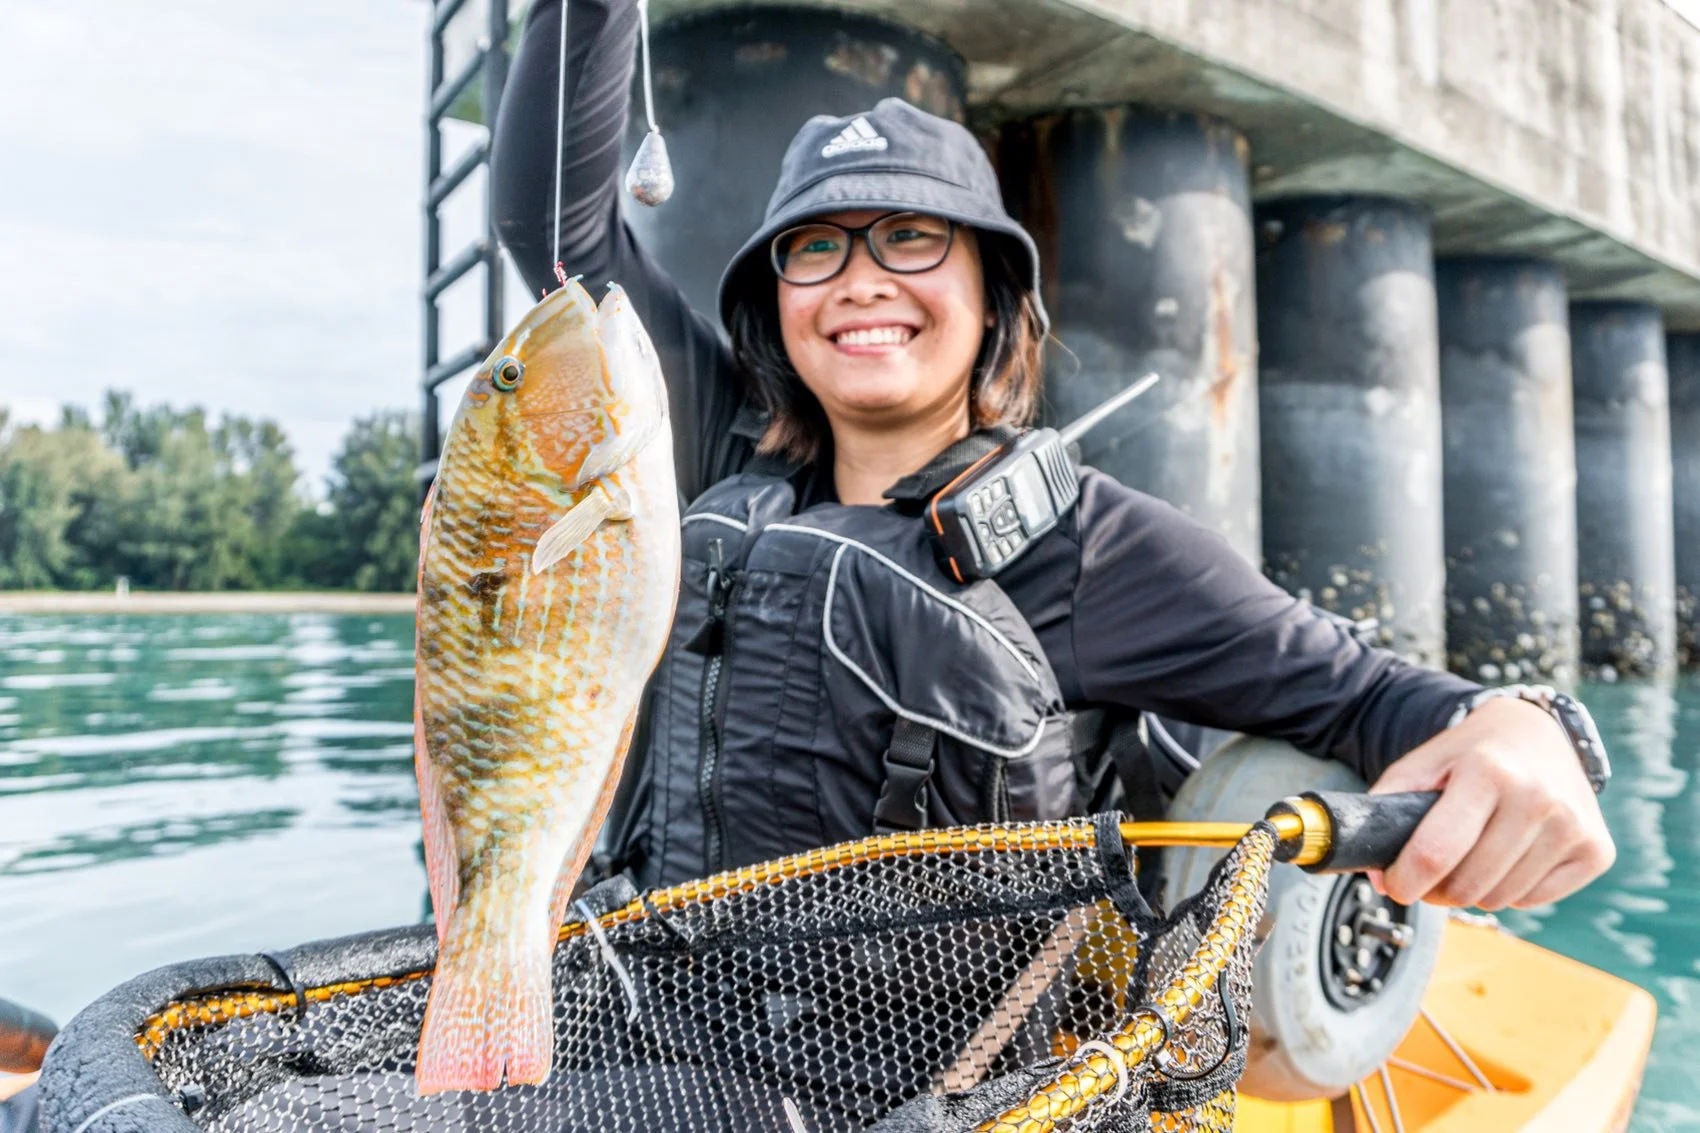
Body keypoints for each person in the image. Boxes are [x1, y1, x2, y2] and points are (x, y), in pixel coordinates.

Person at [488, 0, 1614, 914]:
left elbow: (1366, 696)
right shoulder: (698, 439)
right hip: (645, 1001)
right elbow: (554, 234)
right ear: (771, 308)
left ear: (991, 304)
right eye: (814, 249)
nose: (862, 279)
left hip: (920, 1077)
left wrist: (1530, 727)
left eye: (912, 237)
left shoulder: (1096, 546)